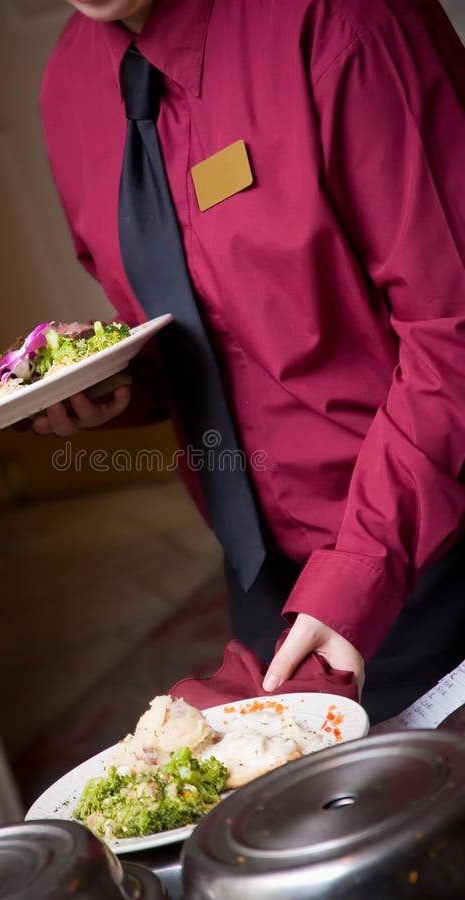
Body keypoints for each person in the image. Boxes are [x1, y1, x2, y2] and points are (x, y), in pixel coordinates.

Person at [33, 0, 465, 724]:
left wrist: (359, 571)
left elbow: (452, 329)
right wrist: (122, 386)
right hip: (271, 583)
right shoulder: (68, 86)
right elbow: (213, 327)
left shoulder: (343, 19)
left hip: (432, 549)